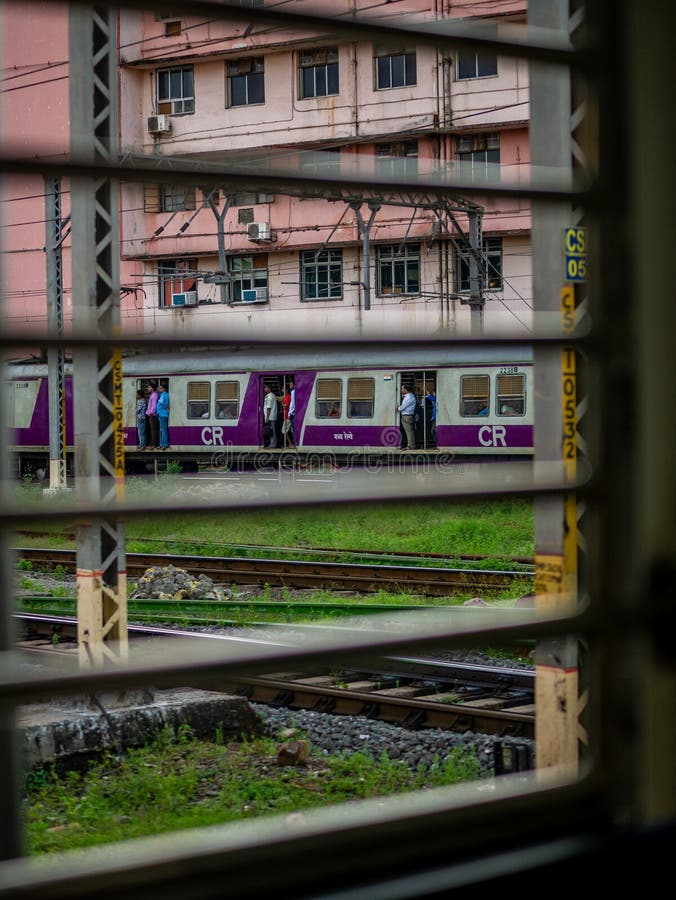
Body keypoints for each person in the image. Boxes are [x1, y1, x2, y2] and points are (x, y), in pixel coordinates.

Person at [398, 383, 417, 450]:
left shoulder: (408, 397)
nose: (401, 390)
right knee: (410, 431)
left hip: (406, 416)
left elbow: (402, 408)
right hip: (408, 416)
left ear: (406, 389)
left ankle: (410, 446)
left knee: (408, 432)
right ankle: (411, 445)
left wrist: (398, 408)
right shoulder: (410, 396)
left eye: (402, 388)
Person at [263, 384, 278, 448]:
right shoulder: (272, 395)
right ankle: (272, 444)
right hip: (271, 417)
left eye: (265, 387)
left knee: (272, 432)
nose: (264, 389)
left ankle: (272, 445)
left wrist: (267, 418)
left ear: (269, 388)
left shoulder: (269, 396)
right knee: (271, 431)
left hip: (270, 417)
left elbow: (268, 408)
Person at [145, 381, 159, 450]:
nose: (148, 388)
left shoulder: (154, 395)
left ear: (152, 388)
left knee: (153, 430)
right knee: (153, 430)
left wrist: (151, 413)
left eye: (149, 387)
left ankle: (154, 444)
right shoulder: (153, 394)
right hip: (152, 414)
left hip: (152, 415)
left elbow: (154, 405)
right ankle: (152, 443)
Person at [157, 383, 171, 450]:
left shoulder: (164, 395)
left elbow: (164, 404)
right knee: (162, 430)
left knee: (163, 430)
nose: (159, 389)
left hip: (163, 414)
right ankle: (162, 443)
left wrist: (166, 408)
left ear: (164, 389)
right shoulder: (163, 395)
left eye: (160, 388)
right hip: (162, 414)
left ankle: (164, 444)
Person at [282, 381, 295, 449]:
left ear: (286, 390)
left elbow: (285, 407)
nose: (282, 390)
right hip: (287, 416)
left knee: (284, 431)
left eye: (283, 389)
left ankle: (291, 444)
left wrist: (281, 401)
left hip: (288, 416)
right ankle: (291, 443)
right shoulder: (287, 396)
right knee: (289, 430)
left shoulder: (287, 397)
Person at [288, 378, 297, 446]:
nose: (289, 386)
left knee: (293, 429)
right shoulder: (294, 392)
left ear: (294, 385)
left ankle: (294, 443)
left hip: (292, 414)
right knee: (293, 429)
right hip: (293, 413)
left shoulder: (293, 392)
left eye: (290, 384)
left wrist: (290, 412)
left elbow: (293, 403)